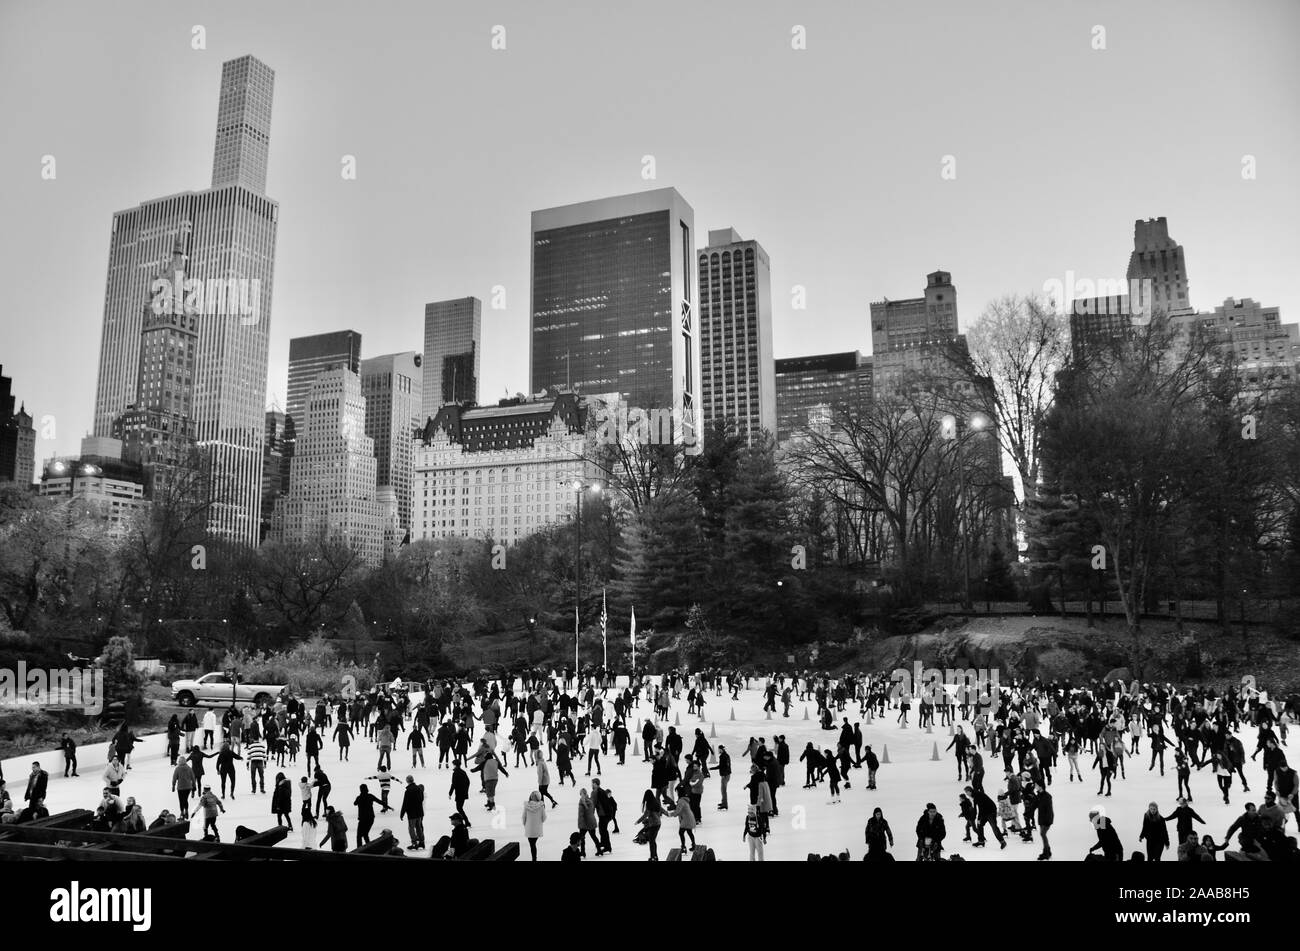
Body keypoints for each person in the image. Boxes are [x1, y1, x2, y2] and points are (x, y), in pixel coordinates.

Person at [400, 775, 425, 851]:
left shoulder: (408, 791)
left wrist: (402, 813)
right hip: (419, 812)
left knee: (411, 828)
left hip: (412, 813)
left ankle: (414, 843)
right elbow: (421, 799)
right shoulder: (419, 788)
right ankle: (421, 842)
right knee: (419, 828)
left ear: (407, 781)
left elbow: (405, 803)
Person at [636, 788, 662, 861]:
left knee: (652, 842)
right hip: (658, 824)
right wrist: (668, 814)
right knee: (653, 841)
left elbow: (645, 815)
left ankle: (653, 857)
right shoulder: (656, 801)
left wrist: (638, 821)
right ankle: (655, 856)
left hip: (653, 825)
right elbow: (661, 809)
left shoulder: (649, 804)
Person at [522, 790, 547, 861]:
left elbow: (524, 817)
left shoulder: (527, 806)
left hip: (529, 829)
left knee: (532, 844)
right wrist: (539, 822)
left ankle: (534, 858)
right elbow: (544, 818)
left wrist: (526, 825)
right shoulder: (541, 806)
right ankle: (534, 858)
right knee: (533, 844)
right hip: (537, 829)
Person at [576, 788, 600, 856]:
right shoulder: (590, 801)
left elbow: (581, 815)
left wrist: (580, 824)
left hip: (585, 823)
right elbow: (591, 811)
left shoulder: (582, 802)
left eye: (581, 793)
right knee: (593, 837)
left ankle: (583, 852)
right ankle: (599, 850)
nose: (580, 795)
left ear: (583, 794)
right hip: (591, 821)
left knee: (582, 838)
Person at [1036, 786, 1055, 860]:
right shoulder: (1039, 795)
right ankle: (1047, 851)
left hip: (1047, 819)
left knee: (1043, 834)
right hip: (1041, 818)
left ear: (1040, 787)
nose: (1035, 787)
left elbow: (1049, 810)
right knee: (1042, 834)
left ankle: (1046, 852)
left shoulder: (1047, 796)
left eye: (1036, 785)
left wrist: (1048, 820)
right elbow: (1035, 805)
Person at [716, 745, 732, 810]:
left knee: (723, 790)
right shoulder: (726, 755)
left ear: (721, 750)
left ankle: (725, 805)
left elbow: (722, 766)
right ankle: (723, 802)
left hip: (725, 775)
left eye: (719, 749)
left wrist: (712, 768)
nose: (718, 751)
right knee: (723, 790)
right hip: (727, 774)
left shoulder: (723, 756)